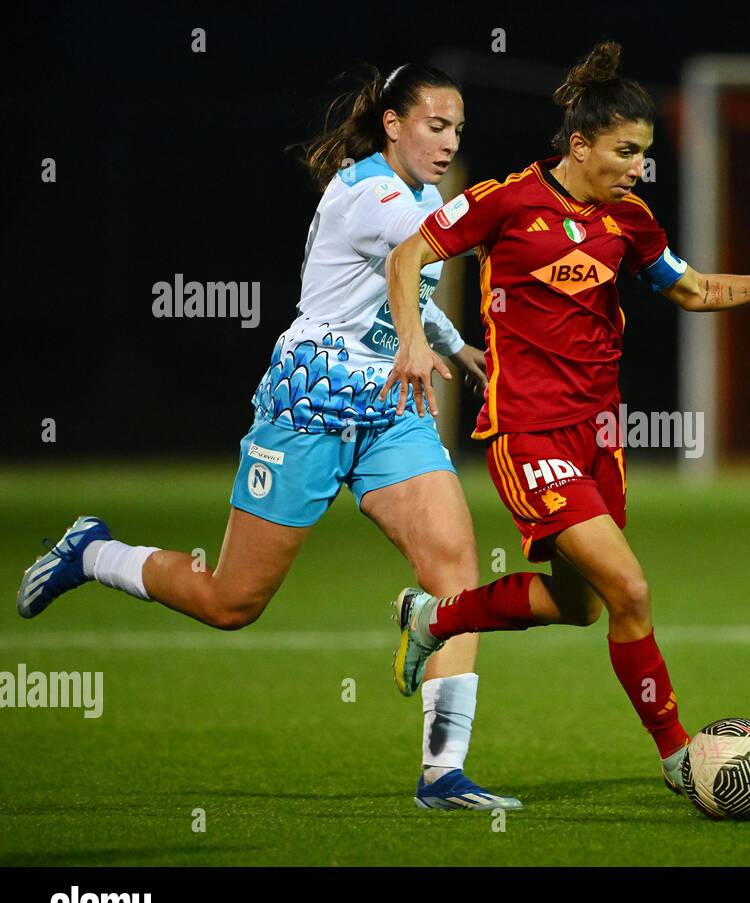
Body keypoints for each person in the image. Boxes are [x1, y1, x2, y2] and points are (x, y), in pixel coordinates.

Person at [16, 64, 521, 811]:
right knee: (232, 602)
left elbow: (409, 282)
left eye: (457, 131)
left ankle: (443, 774)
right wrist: (537, 216)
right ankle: (94, 551)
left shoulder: (422, 195)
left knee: (455, 571)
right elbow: (420, 252)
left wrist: (451, 344)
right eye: (435, 126)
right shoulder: (369, 194)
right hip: (309, 402)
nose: (449, 142)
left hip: (391, 407)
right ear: (392, 123)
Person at [381, 41, 750, 794]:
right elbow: (406, 258)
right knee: (630, 590)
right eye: (626, 152)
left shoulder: (630, 220)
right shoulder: (505, 201)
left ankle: (434, 618)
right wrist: (410, 343)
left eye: (645, 154)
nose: (638, 167)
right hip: (526, 432)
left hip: (599, 440)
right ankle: (681, 760)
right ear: (579, 144)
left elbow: (689, 289)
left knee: (583, 604)